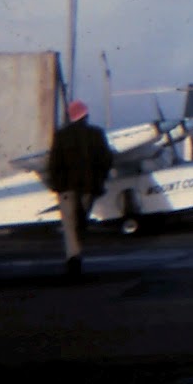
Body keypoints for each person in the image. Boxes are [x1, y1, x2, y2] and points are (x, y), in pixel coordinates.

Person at [46, 99, 114, 279]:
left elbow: (54, 163)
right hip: (89, 188)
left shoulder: (61, 135)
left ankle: (73, 258)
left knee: (69, 224)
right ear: (86, 115)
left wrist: (56, 185)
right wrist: (100, 180)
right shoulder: (97, 134)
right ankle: (76, 254)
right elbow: (106, 160)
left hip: (67, 188)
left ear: (70, 116)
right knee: (81, 222)